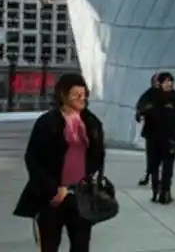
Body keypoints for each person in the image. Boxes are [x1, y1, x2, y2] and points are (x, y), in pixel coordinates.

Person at [13, 73, 106, 252]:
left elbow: (97, 157)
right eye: (76, 95)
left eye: (83, 94)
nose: (81, 99)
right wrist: (54, 188)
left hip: (81, 197)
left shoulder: (92, 123)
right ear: (63, 95)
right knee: (49, 245)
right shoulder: (47, 123)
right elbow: (32, 158)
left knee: (81, 246)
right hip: (51, 198)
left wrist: (86, 184)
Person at [145, 71, 175, 204]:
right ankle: (156, 190)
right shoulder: (152, 97)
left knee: (168, 166)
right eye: (166, 81)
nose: (169, 84)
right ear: (160, 84)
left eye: (171, 81)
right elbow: (143, 109)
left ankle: (165, 192)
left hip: (170, 138)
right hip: (153, 137)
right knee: (154, 165)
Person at [134, 72, 160, 186]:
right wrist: (141, 113)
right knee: (151, 155)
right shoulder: (149, 94)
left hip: (163, 131)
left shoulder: (168, 96)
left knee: (159, 156)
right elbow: (140, 106)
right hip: (152, 130)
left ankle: (155, 176)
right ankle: (150, 175)